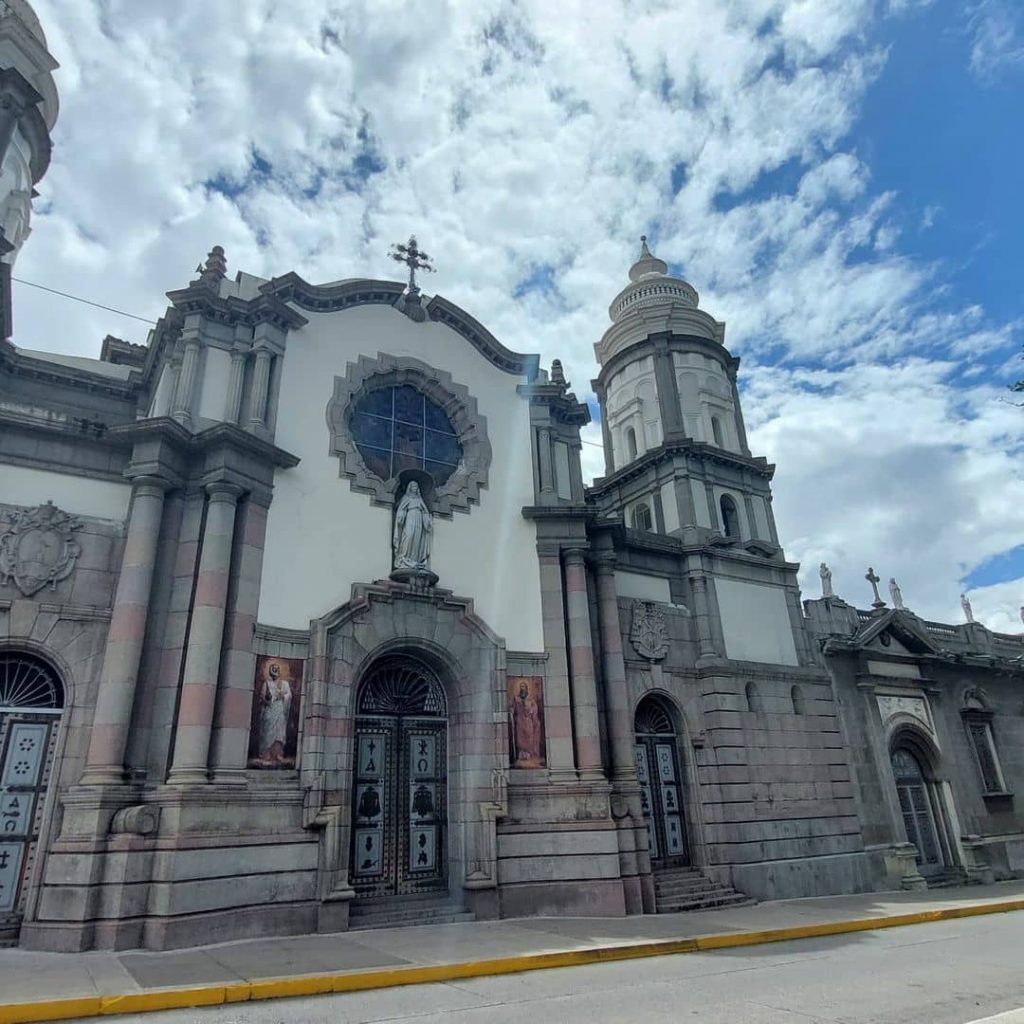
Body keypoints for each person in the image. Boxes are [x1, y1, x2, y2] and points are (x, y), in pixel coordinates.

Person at [393, 481, 432, 571]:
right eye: (413, 486)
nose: (415, 487)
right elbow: (401, 508)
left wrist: (427, 520)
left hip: (419, 520)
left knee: (417, 539)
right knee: (408, 536)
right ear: (409, 488)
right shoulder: (406, 498)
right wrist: (400, 516)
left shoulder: (419, 499)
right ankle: (404, 557)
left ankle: (415, 559)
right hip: (410, 517)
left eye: (416, 486)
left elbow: (425, 511)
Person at [258, 661, 292, 763]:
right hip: (270, 709)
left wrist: (283, 696)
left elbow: (289, 695)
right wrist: (268, 701)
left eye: (276, 670)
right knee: (268, 731)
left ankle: (278, 754)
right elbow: (262, 696)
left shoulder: (284, 684)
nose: (275, 672)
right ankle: (267, 754)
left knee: (279, 732)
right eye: (273, 670)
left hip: (280, 709)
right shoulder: (267, 683)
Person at [511, 680, 543, 766]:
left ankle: (530, 756)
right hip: (520, 722)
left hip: (528, 721)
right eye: (521, 687)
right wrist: (512, 711)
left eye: (524, 687)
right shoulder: (516, 699)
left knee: (529, 738)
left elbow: (534, 710)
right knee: (520, 739)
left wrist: (531, 710)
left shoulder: (530, 700)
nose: (522, 688)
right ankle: (522, 757)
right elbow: (513, 710)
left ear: (526, 688)